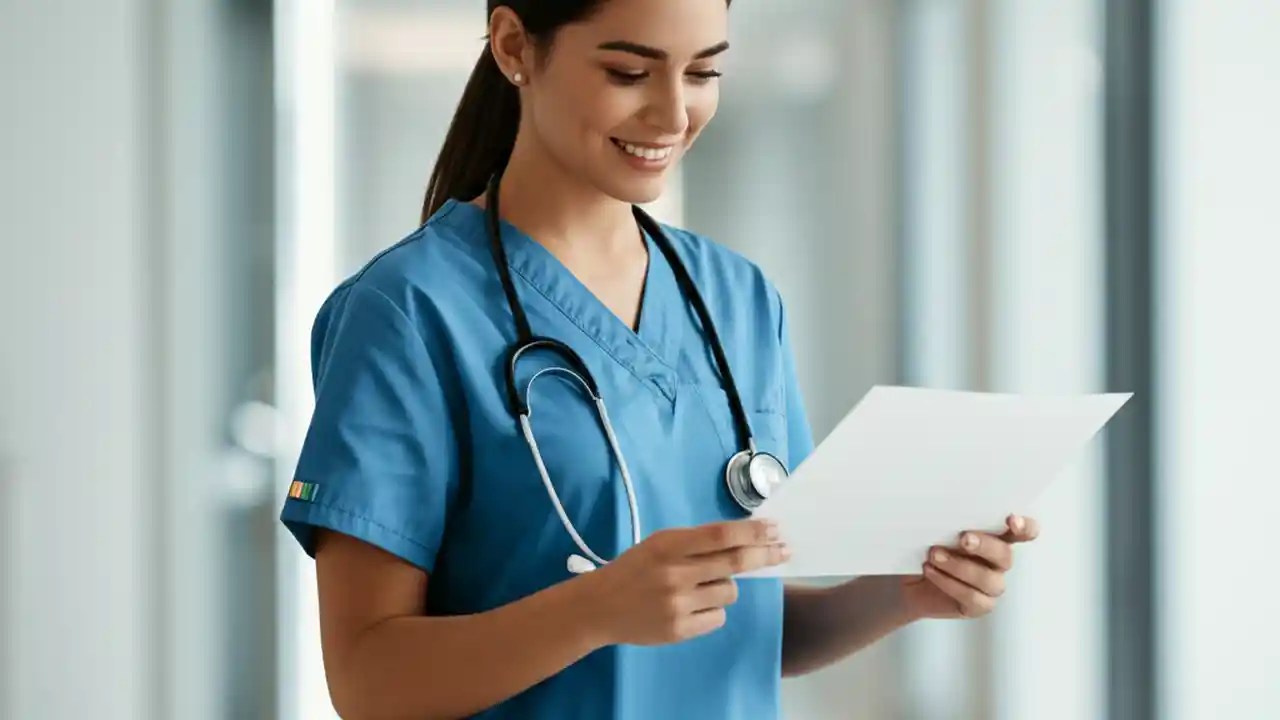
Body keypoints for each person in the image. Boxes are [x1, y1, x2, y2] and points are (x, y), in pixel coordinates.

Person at [279, 1, 1042, 718]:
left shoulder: (738, 299)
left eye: (704, 73)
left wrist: (902, 594)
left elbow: (744, 628)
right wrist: (597, 610)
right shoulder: (408, 311)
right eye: (628, 73)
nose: (675, 114)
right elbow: (368, 679)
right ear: (514, 46)